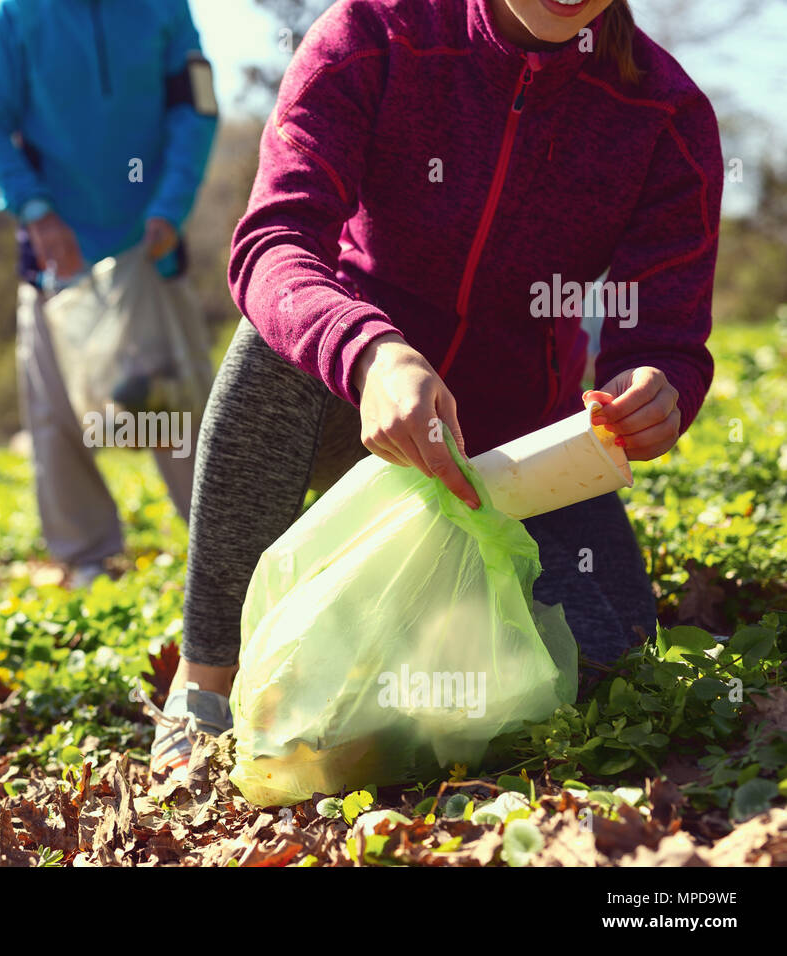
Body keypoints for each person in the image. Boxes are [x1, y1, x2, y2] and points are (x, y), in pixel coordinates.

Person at [145, 0, 723, 780]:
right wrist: (371, 352)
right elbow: (273, 242)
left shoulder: (668, 117)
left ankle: (387, 628)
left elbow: (667, 339)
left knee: (604, 680)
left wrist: (662, 389)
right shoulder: (373, 34)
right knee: (271, 353)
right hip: (357, 410)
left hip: (524, 460)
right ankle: (207, 681)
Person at [0, 0, 218, 588]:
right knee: (55, 413)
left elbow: (195, 110)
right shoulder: (15, 14)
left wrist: (170, 209)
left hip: (150, 247)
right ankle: (87, 559)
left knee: (177, 411)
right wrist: (37, 213)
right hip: (59, 256)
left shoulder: (166, 10)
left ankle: (223, 554)